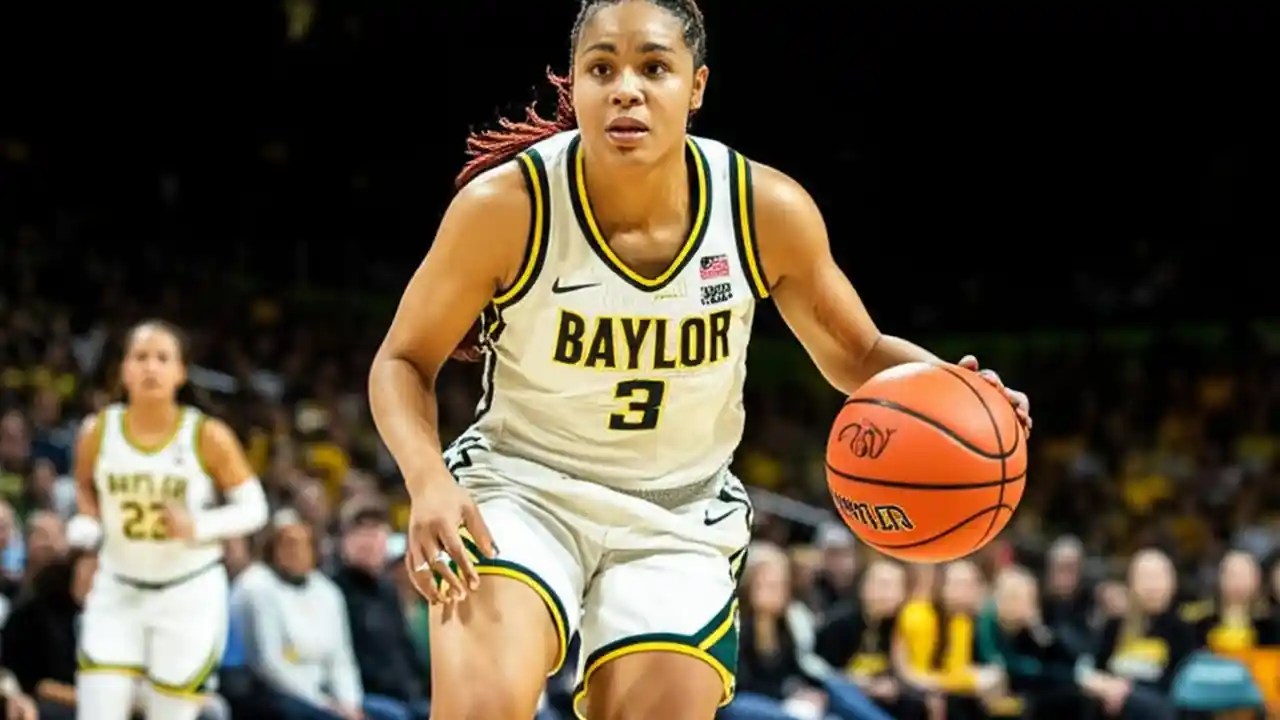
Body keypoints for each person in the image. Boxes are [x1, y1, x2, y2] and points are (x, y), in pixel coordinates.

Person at [367, 1, 1033, 718]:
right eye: (602, 68)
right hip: (523, 489)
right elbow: (402, 360)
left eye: (654, 67)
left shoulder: (761, 208)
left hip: (678, 516)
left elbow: (860, 354)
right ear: (577, 86)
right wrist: (428, 481)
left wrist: (958, 392)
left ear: (697, 86)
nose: (627, 88)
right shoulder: (510, 206)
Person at [70, 320, 270, 720]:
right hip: (118, 588)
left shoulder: (207, 435)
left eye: (163, 358)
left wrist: (197, 526)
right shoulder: (97, 431)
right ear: (123, 369)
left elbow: (255, 509)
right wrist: (89, 528)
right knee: (96, 709)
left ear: (180, 372)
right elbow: (85, 488)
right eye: (140, 357)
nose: (150, 367)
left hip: (187, 593)